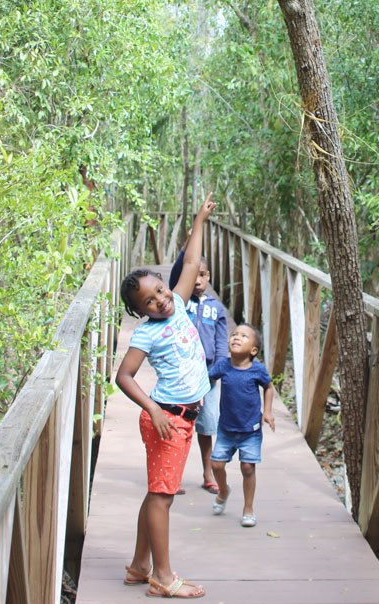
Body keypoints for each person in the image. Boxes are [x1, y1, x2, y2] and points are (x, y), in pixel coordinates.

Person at [116, 192, 216, 600]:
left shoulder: (181, 302)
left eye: (160, 290)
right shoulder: (147, 333)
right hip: (167, 419)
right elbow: (123, 376)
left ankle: (140, 567)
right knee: (162, 496)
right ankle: (163, 576)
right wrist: (153, 408)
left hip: (184, 418)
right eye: (150, 301)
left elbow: (191, 262)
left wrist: (199, 220)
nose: (160, 300)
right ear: (140, 311)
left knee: (157, 491)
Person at [169, 246, 228, 494]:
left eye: (202, 275)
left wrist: (215, 374)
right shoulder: (179, 304)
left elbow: (222, 344)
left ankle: (208, 473)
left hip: (208, 378)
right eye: (193, 276)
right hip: (183, 378)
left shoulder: (217, 309)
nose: (198, 281)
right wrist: (188, 245)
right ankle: (173, 476)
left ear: (209, 276)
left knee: (207, 426)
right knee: (180, 426)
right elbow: (175, 275)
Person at [209, 323, 275, 528]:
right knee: (216, 465)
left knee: (248, 468)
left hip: (250, 430)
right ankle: (223, 490)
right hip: (226, 428)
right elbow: (207, 380)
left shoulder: (257, 369)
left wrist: (268, 411)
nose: (236, 337)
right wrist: (198, 397)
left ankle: (248, 508)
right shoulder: (223, 366)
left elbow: (269, 387)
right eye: (234, 334)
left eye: (244, 336)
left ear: (254, 350)